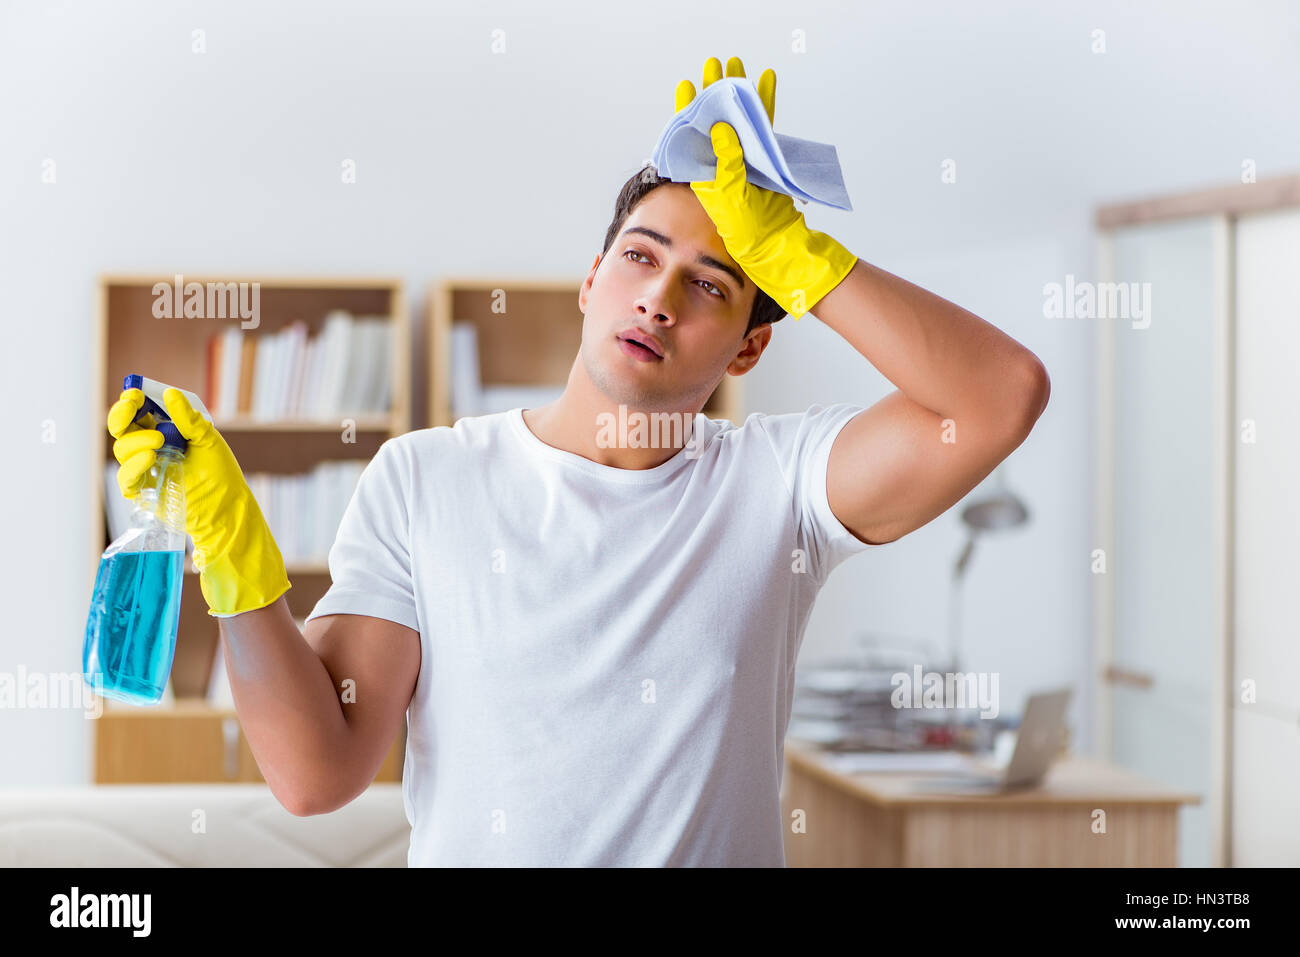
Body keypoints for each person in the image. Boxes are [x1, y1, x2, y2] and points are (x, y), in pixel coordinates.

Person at [106, 56, 1048, 867]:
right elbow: (316, 775)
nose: (660, 298)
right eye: (640, 258)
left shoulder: (781, 483)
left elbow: (1002, 395)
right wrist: (231, 558)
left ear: (749, 348)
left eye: (711, 283)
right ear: (593, 282)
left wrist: (806, 260)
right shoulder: (424, 477)